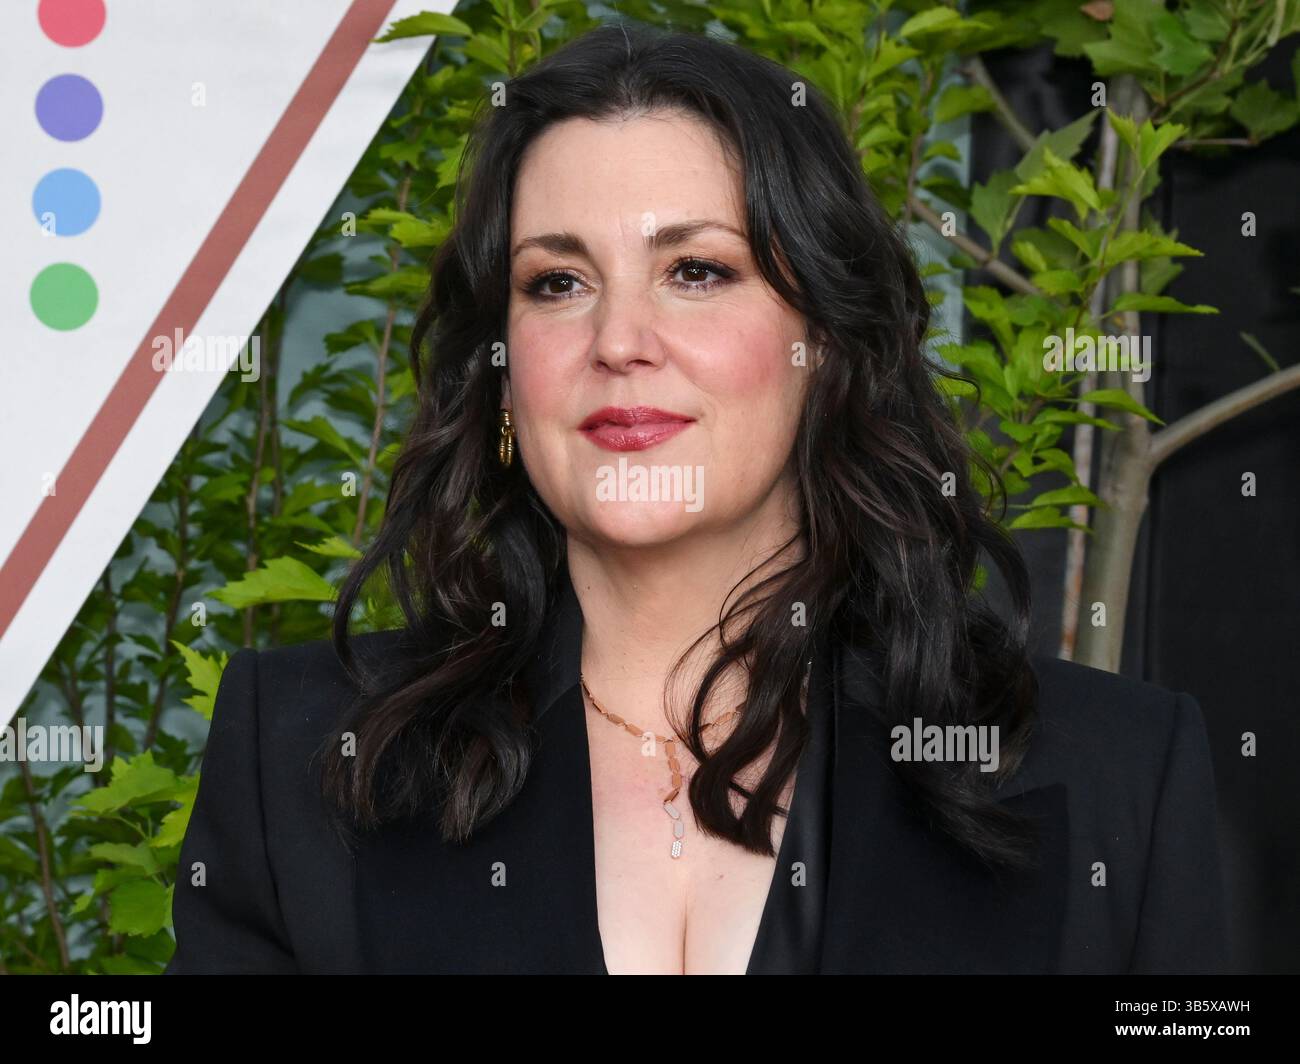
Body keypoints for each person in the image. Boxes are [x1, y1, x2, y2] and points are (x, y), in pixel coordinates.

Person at [166, 22, 1228, 975]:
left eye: (696, 270)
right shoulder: (299, 757)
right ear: (500, 367)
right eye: (556, 282)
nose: (618, 341)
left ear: (826, 345)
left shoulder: (1114, 777)